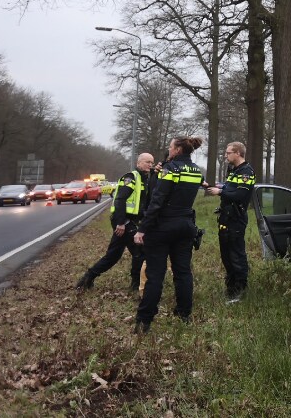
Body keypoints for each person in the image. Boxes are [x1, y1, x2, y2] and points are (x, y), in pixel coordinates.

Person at [133, 136, 204, 334]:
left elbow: (157, 200)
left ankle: (144, 320)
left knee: (155, 275)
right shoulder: (196, 170)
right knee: (183, 273)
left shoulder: (169, 169)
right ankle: (184, 315)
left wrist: (142, 228)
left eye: (171, 147)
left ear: (178, 150)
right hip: (186, 226)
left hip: (163, 226)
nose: (168, 149)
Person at [75, 153, 155, 292]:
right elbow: (120, 200)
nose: (150, 164)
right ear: (138, 163)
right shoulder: (130, 178)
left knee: (113, 255)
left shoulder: (146, 180)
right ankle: (135, 285)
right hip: (124, 221)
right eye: (147, 162)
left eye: (152, 162)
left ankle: (88, 278)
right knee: (140, 252)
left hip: (131, 221)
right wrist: (121, 222)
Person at [207, 141, 256, 303]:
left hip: (236, 219)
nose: (226, 155)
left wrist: (220, 192)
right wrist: (217, 188)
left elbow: (240, 196)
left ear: (238, 153)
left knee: (236, 256)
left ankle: (240, 291)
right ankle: (230, 288)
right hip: (225, 218)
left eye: (228, 153)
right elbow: (230, 189)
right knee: (226, 256)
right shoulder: (233, 171)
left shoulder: (246, 172)